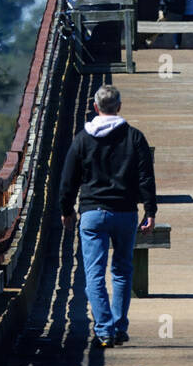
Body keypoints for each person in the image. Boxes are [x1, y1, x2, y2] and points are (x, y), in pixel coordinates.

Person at [59, 85, 157, 349]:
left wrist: (66, 211)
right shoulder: (135, 137)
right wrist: (150, 211)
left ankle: (104, 330)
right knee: (123, 271)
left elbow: (68, 180)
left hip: (92, 214)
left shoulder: (82, 139)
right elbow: (146, 176)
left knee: (94, 273)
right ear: (120, 107)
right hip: (125, 213)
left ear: (95, 107)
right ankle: (118, 326)